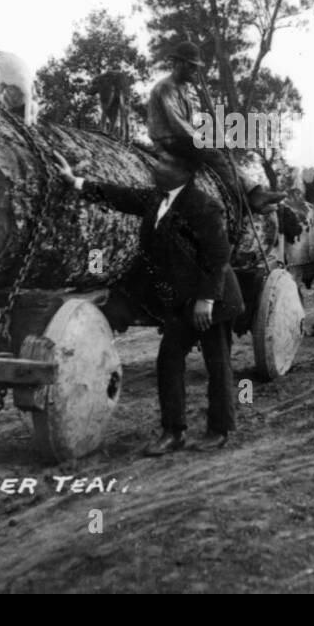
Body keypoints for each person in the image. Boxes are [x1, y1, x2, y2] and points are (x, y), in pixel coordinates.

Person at [53, 148, 242, 455]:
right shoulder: (156, 199)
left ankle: (218, 430)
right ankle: (173, 432)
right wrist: (75, 182)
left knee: (217, 363)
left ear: (184, 172)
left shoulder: (204, 206)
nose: (158, 165)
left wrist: (206, 299)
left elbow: (218, 255)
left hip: (213, 300)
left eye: (166, 162)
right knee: (168, 360)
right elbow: (117, 195)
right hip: (181, 301)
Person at [146, 41, 286, 215]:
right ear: (179, 64)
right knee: (214, 154)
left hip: (180, 139)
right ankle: (241, 202)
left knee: (223, 150)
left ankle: (255, 192)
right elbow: (179, 125)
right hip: (168, 141)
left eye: (195, 67)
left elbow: (186, 126)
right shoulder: (166, 87)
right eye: (191, 66)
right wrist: (205, 140)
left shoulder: (183, 88)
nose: (195, 71)